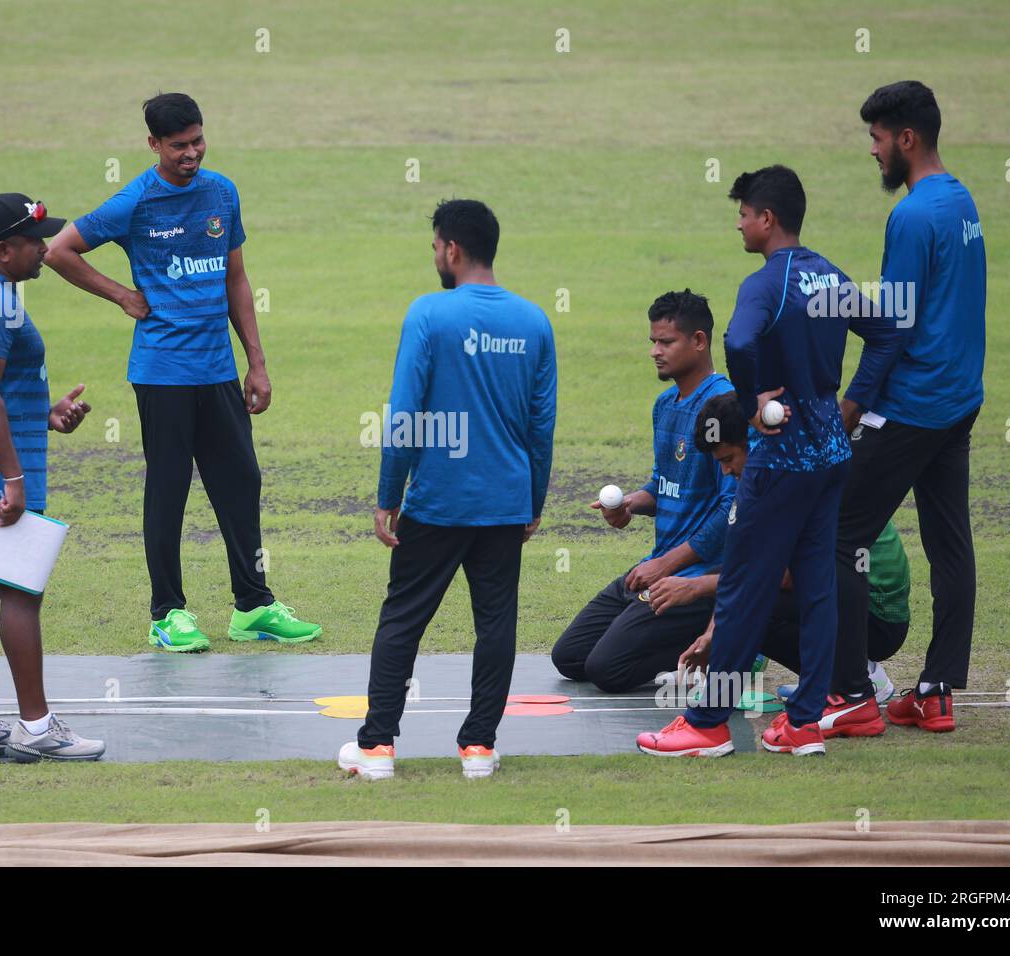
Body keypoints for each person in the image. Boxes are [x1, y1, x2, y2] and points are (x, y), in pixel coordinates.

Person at [637, 164, 898, 757]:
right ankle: (805, 721)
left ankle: (704, 724)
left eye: (744, 214)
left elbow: (740, 342)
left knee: (744, 591)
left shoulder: (765, 283)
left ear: (767, 218)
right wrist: (850, 405)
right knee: (816, 584)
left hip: (781, 459)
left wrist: (754, 404)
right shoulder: (826, 274)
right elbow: (885, 334)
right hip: (832, 452)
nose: (739, 224)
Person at [44, 92, 319, 652]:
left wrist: (257, 362)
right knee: (168, 492)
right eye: (179, 146)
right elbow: (58, 251)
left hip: (217, 369)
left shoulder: (222, 192)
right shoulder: (135, 202)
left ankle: (254, 605)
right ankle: (167, 613)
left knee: (241, 482)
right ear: (153, 145)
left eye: (197, 141)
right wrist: (122, 295)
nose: (191, 153)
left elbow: (235, 279)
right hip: (163, 371)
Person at [338, 199, 557, 780]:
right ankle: (479, 748)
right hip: (505, 503)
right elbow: (542, 425)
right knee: (497, 624)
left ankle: (378, 746)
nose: (435, 255)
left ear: (452, 250)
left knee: (403, 619)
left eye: (436, 247)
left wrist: (389, 493)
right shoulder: (535, 322)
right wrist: (533, 500)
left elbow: (405, 413)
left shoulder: (429, 315)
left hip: (437, 501)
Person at [831, 81, 986, 734]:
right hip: (960, 401)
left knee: (838, 536)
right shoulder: (962, 202)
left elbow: (893, 327)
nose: (872, 151)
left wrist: (853, 403)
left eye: (876, 137)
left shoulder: (914, 215)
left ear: (906, 139)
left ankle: (851, 696)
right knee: (950, 545)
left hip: (913, 406)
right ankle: (936, 691)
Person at [0, 193, 105, 762]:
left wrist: (46, 414)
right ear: (4, 250)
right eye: (34, 242)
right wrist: (12, 476)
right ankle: (37, 727)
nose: (45, 249)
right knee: (21, 592)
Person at [678, 392, 912, 734]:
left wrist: (695, 587)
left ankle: (855, 680)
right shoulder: (782, 462)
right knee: (733, 584)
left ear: (753, 440)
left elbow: (780, 578)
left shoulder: (787, 475)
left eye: (728, 458)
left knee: (747, 597)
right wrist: (715, 632)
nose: (726, 471)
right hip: (855, 604)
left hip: (876, 619)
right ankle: (834, 680)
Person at [550, 290, 734, 692]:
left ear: (699, 341)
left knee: (606, 670)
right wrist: (632, 503)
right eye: (652, 341)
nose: (655, 351)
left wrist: (666, 565)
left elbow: (730, 509)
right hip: (657, 567)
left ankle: (726, 645)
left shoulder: (724, 407)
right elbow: (664, 485)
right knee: (570, 656)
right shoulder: (665, 405)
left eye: (666, 342)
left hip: (695, 579)